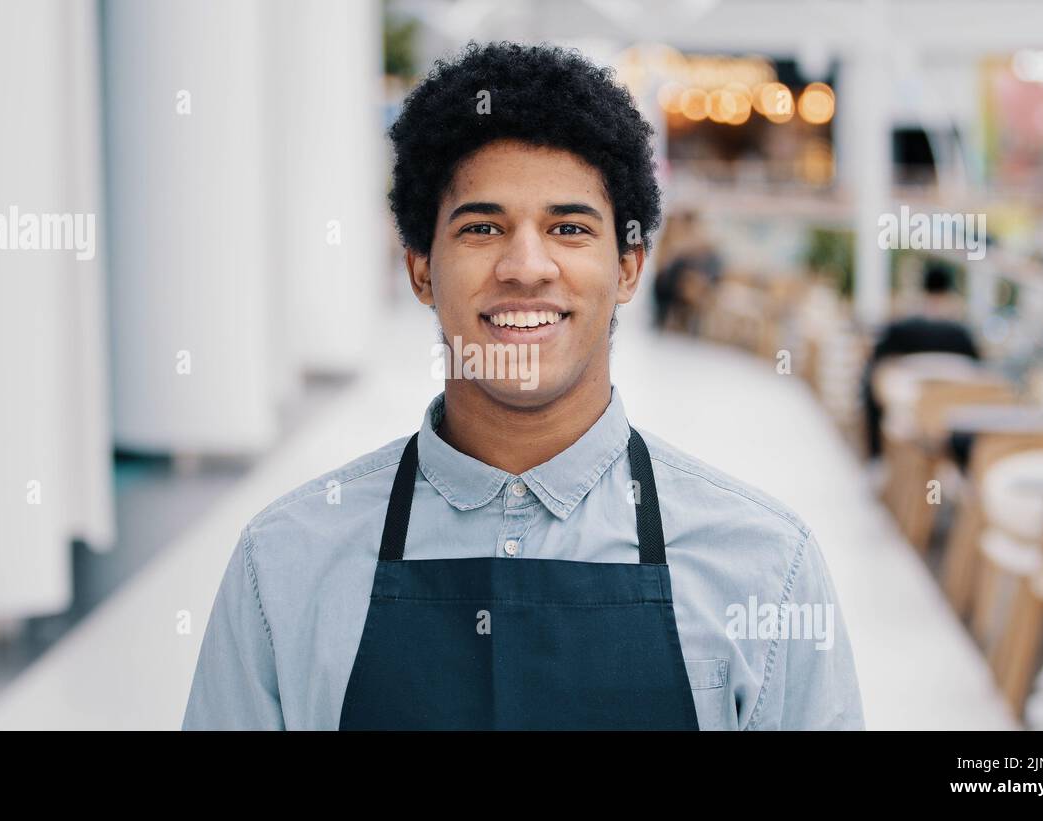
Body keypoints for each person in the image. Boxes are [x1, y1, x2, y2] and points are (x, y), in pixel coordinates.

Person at [182, 41, 864, 730]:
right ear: (420, 268)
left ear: (629, 268)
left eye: (569, 227)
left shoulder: (763, 569)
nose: (526, 266)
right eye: (483, 227)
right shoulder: (286, 564)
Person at [861, 258, 980, 459]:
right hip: (951, 422)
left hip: (911, 419)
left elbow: (875, 370)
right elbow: (977, 372)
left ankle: (877, 458)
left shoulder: (902, 328)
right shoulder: (961, 334)